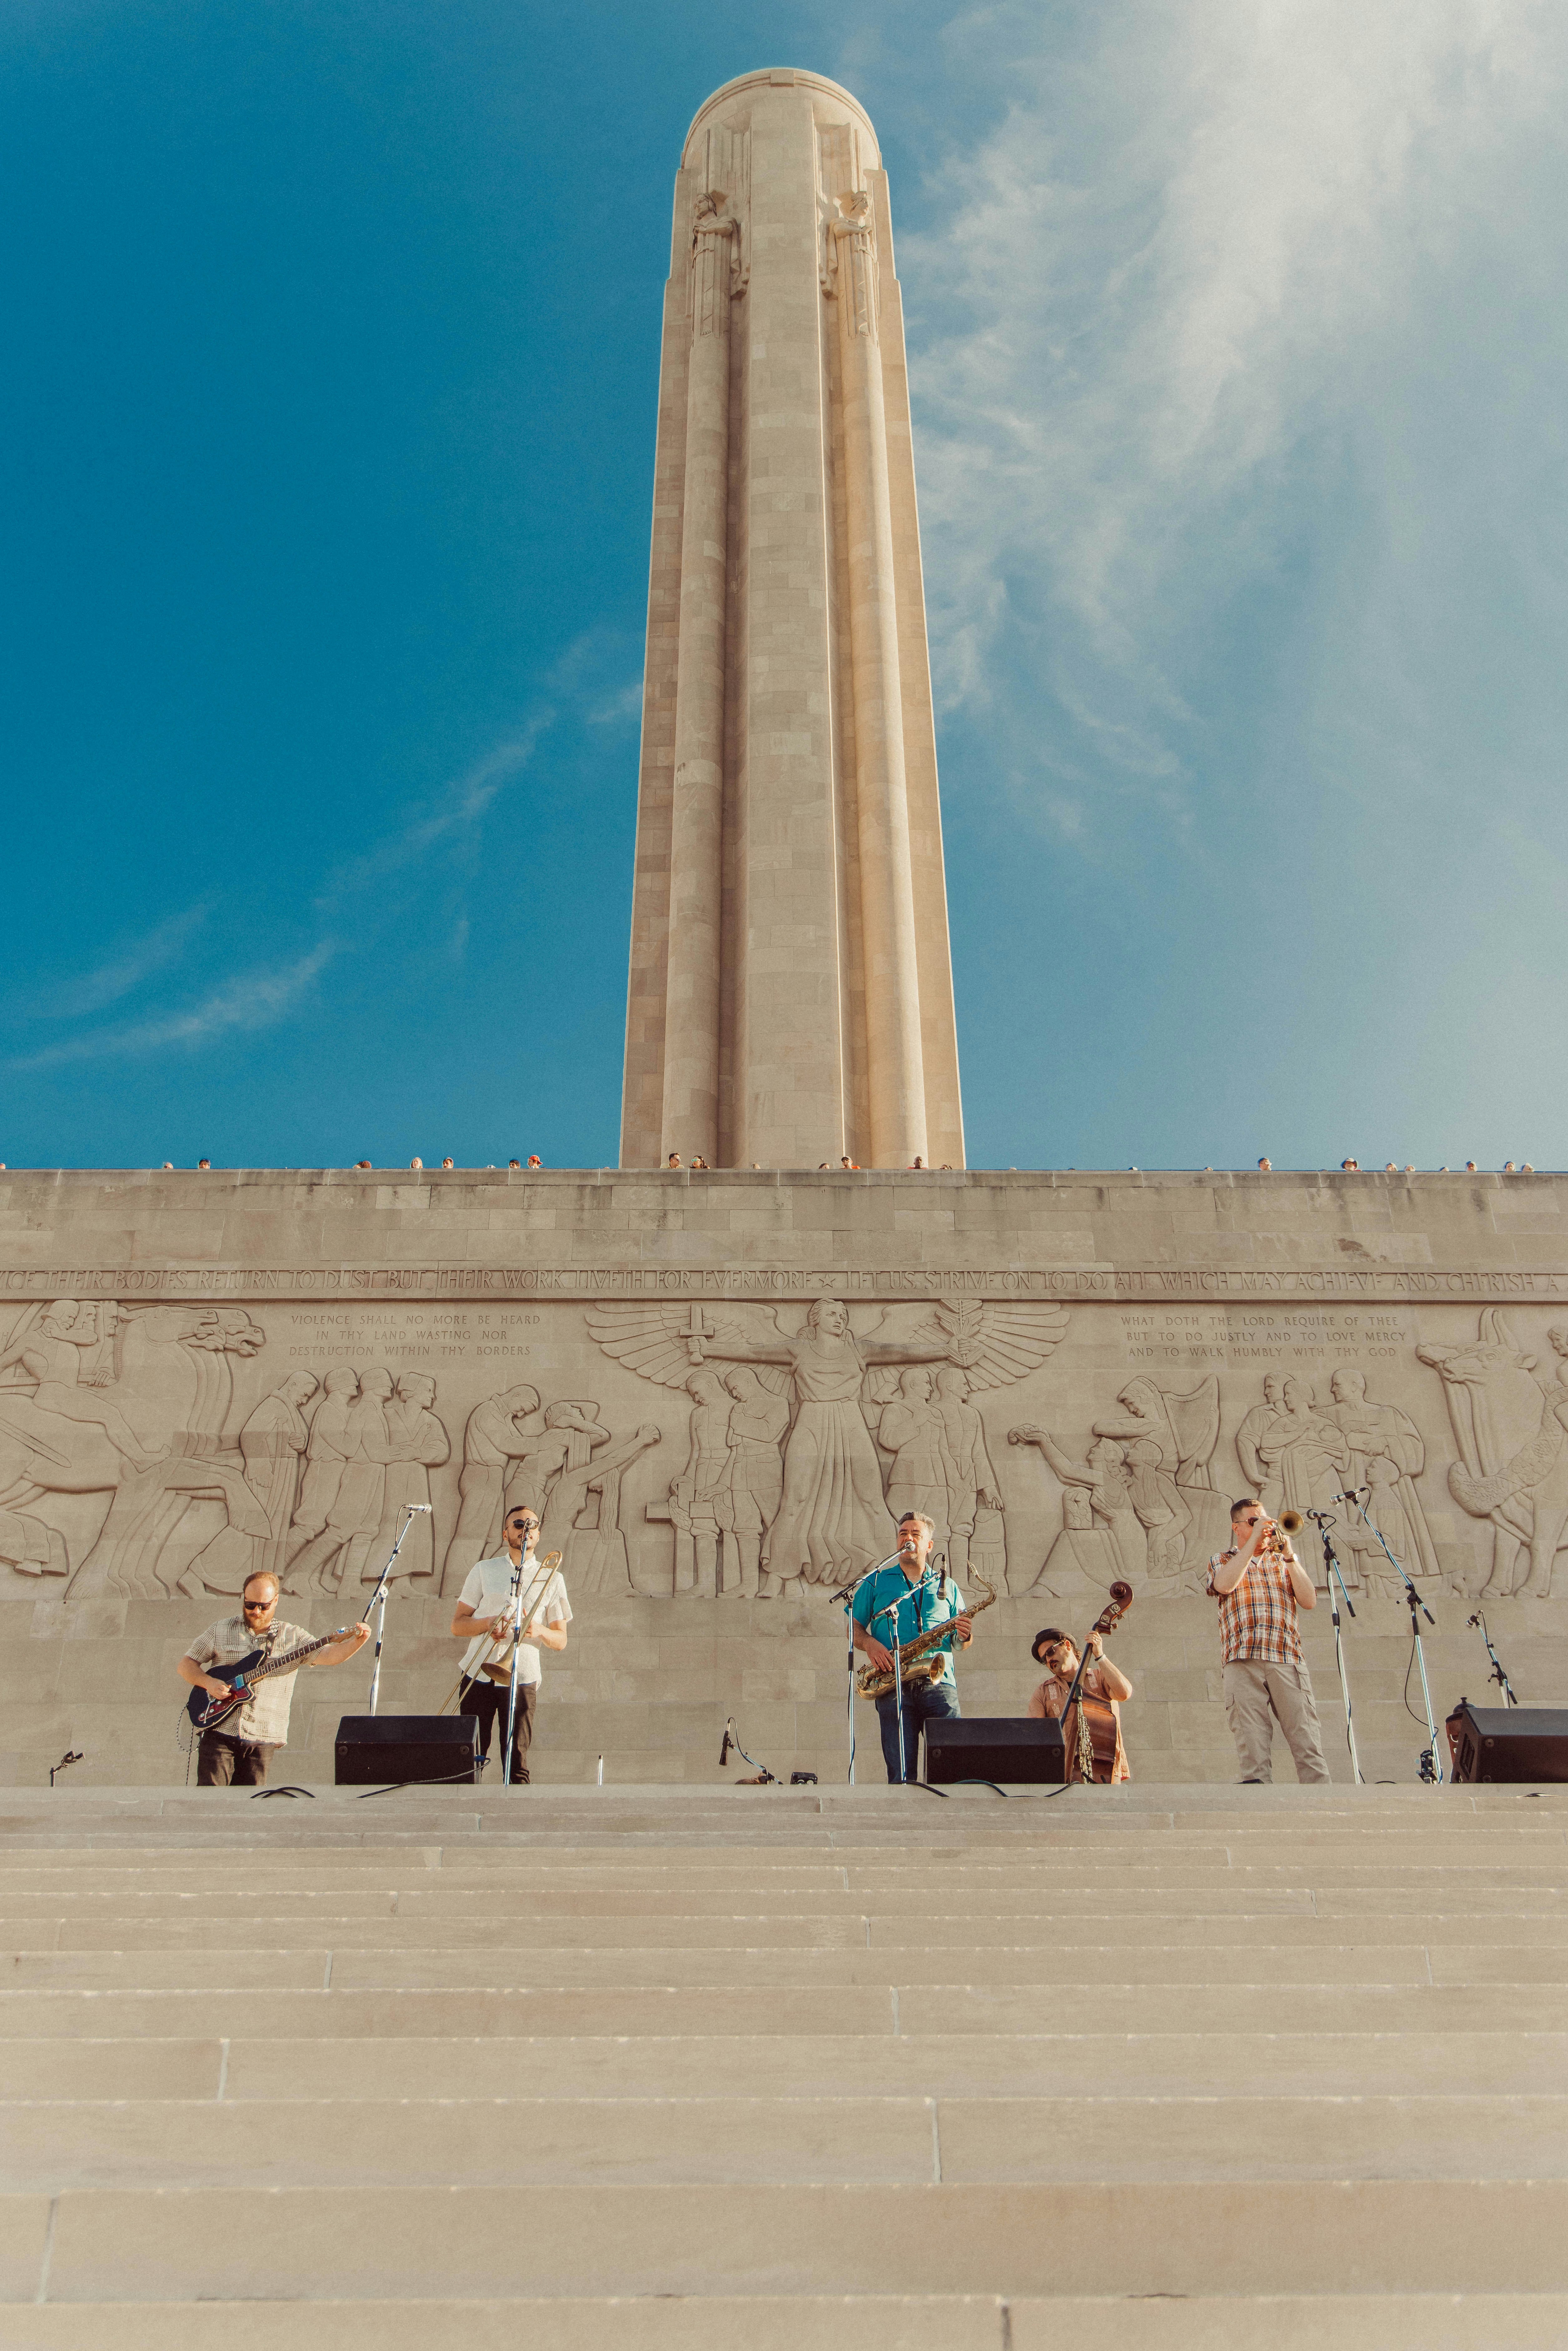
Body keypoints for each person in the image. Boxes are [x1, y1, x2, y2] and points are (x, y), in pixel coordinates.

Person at [179, 1570, 370, 1787]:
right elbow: (186, 1665)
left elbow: (329, 1656)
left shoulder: (293, 1636)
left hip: (263, 1736)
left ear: (276, 1600)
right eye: (250, 1605)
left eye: (264, 1605)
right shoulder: (221, 1629)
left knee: (251, 1807)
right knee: (209, 1802)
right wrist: (209, 1683)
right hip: (219, 1731)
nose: (256, 1611)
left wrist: (358, 1641)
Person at [1207, 1498, 1331, 1784]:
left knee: (1307, 1738)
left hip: (1286, 1658)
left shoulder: (1283, 1562)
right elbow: (1224, 1585)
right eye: (1253, 1521)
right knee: (1252, 1744)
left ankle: (1322, 1804)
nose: (1263, 1525)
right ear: (1237, 1528)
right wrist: (1253, 1545)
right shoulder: (1223, 1559)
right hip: (1242, 1659)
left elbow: (1309, 1601)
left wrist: (1290, 1555)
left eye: (1264, 1519)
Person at [451, 1504, 571, 1784]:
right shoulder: (484, 1569)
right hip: (477, 1673)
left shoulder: (552, 1577)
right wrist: (488, 1625)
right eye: (519, 1524)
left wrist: (538, 1630)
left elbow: (561, 1639)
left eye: (532, 1525)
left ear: (539, 1534)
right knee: (468, 1757)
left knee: (517, 1762)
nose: (525, 1530)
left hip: (523, 1676)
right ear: (506, 1534)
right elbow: (458, 1624)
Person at [851, 1512, 972, 1783]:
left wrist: (965, 1635)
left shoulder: (948, 1586)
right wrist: (870, 1643)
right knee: (901, 1774)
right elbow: (853, 1629)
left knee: (953, 1768)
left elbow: (960, 1643)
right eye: (903, 1533)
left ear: (929, 1545)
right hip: (894, 1682)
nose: (908, 1538)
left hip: (940, 1683)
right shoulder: (876, 1581)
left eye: (916, 1534)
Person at [1028, 1624, 1134, 1781]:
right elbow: (1035, 1735)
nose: (1049, 1660)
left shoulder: (1100, 1677)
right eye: (1045, 1659)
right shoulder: (1042, 1692)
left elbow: (1124, 1693)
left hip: (1105, 1770)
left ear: (1067, 1645)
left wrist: (1100, 1656)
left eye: (1051, 1652)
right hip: (1065, 1774)